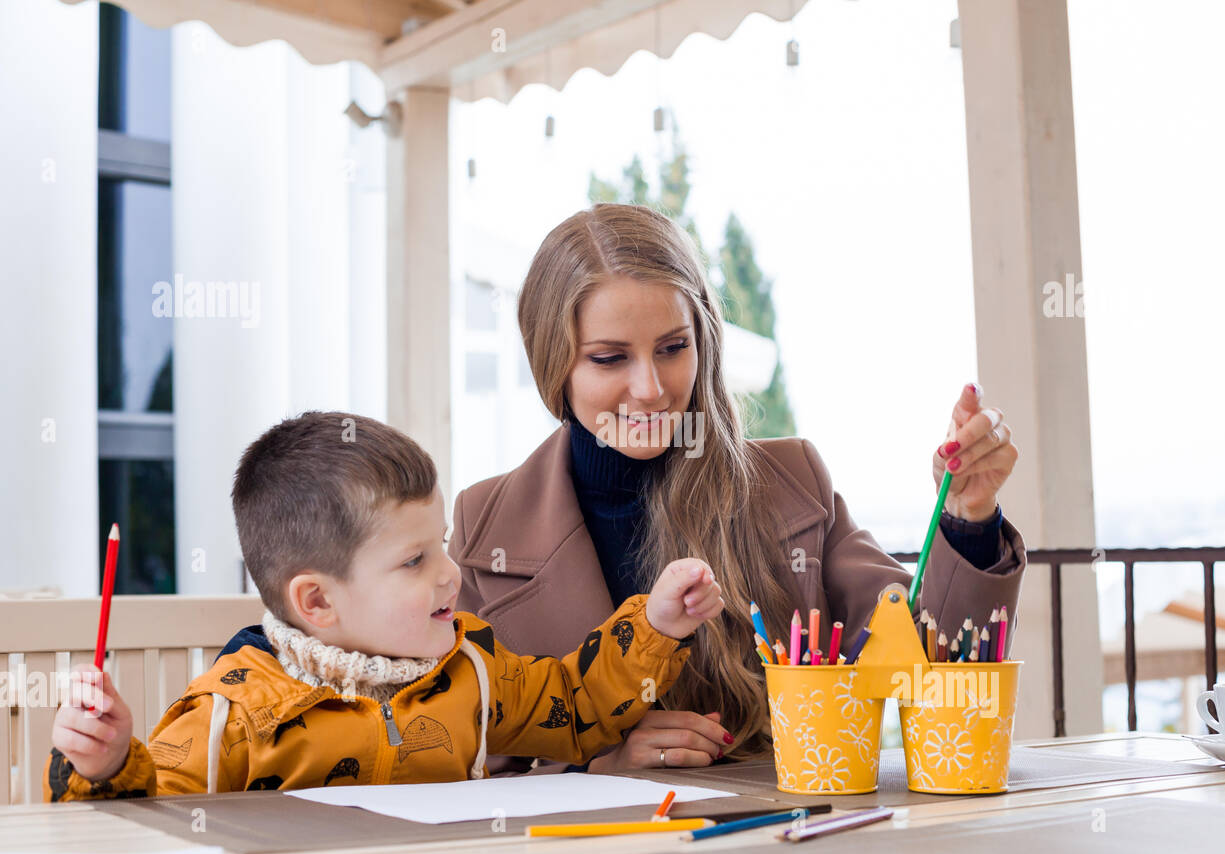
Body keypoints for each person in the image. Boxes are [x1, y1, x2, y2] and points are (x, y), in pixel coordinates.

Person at [451, 203, 1026, 773]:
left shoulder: (792, 483)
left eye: (674, 348)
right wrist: (598, 767)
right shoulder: (485, 525)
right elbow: (460, 756)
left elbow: (937, 659)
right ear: (553, 364)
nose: (650, 388)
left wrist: (967, 518)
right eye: (610, 358)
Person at [44, 411, 720, 800]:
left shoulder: (474, 667)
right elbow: (144, 814)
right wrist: (102, 765)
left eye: (443, 547)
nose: (450, 576)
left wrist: (656, 624)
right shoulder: (232, 716)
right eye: (413, 562)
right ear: (317, 600)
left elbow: (574, 707)